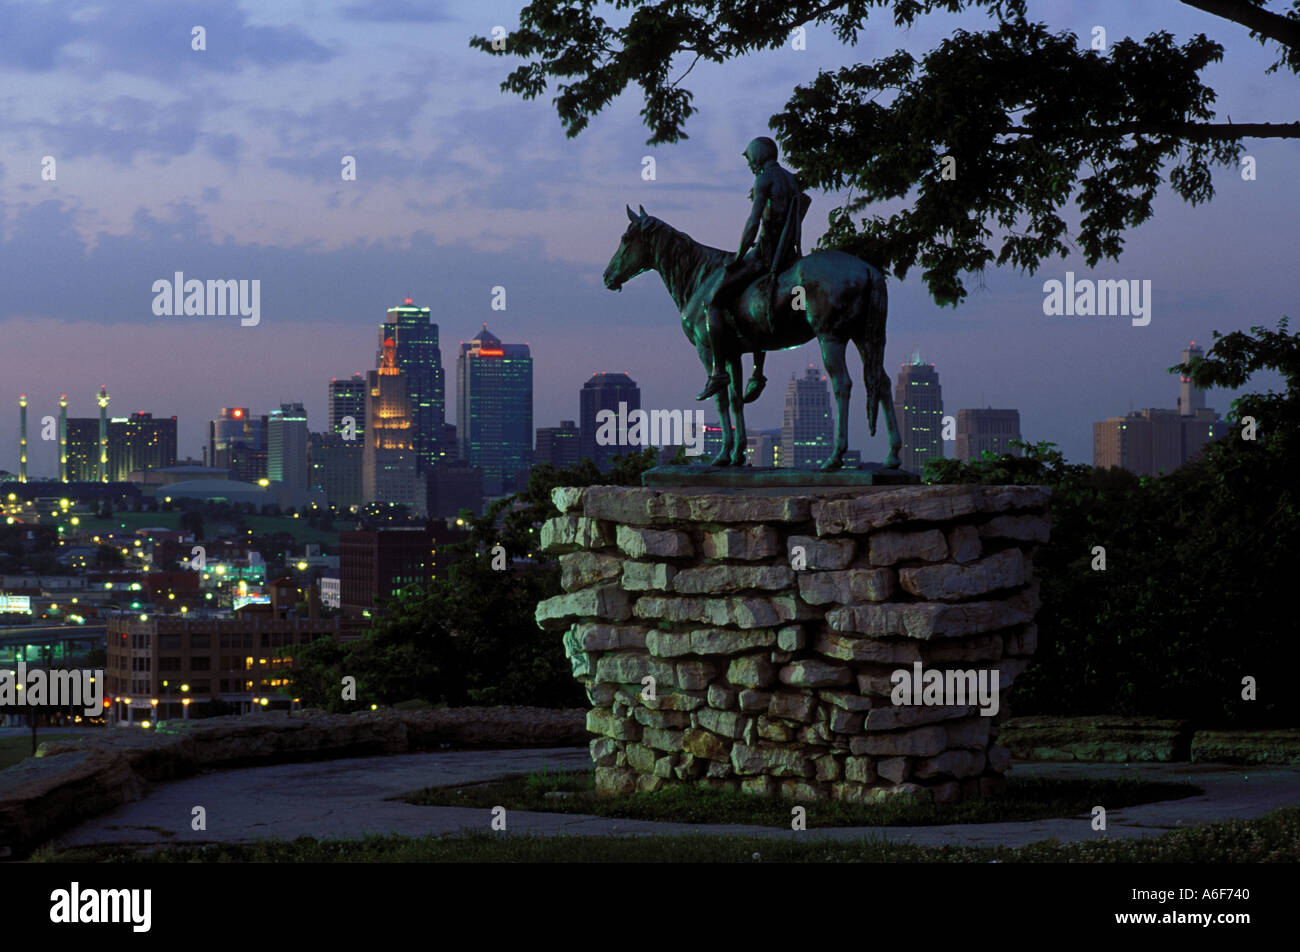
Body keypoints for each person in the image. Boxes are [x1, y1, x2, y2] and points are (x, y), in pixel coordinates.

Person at [698, 136, 809, 401]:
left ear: (758, 156)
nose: (749, 164)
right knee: (753, 306)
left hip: (766, 255)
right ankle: (757, 374)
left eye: (749, 159)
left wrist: (738, 255)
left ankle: (718, 372)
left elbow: (753, 222)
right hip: (789, 255)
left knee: (713, 301)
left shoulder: (764, 180)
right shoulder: (791, 179)